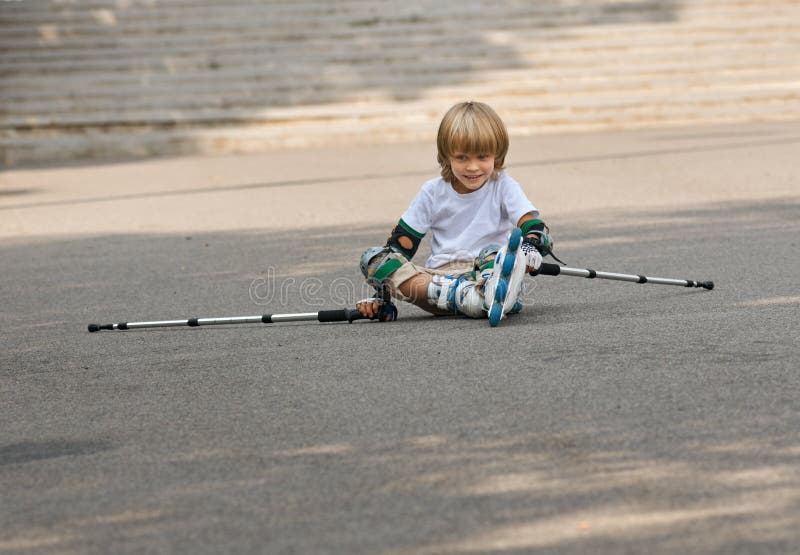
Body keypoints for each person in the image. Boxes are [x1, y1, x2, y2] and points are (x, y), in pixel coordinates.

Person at [357, 101, 554, 327]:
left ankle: (487, 294)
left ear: (497, 154)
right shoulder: (432, 192)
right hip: (436, 284)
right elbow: (399, 248)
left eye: (483, 157)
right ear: (447, 155)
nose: (472, 167)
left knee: (493, 253)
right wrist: (381, 298)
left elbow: (533, 225)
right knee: (374, 259)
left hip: (488, 271)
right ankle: (473, 298)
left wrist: (531, 246)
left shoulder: (503, 186)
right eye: (462, 157)